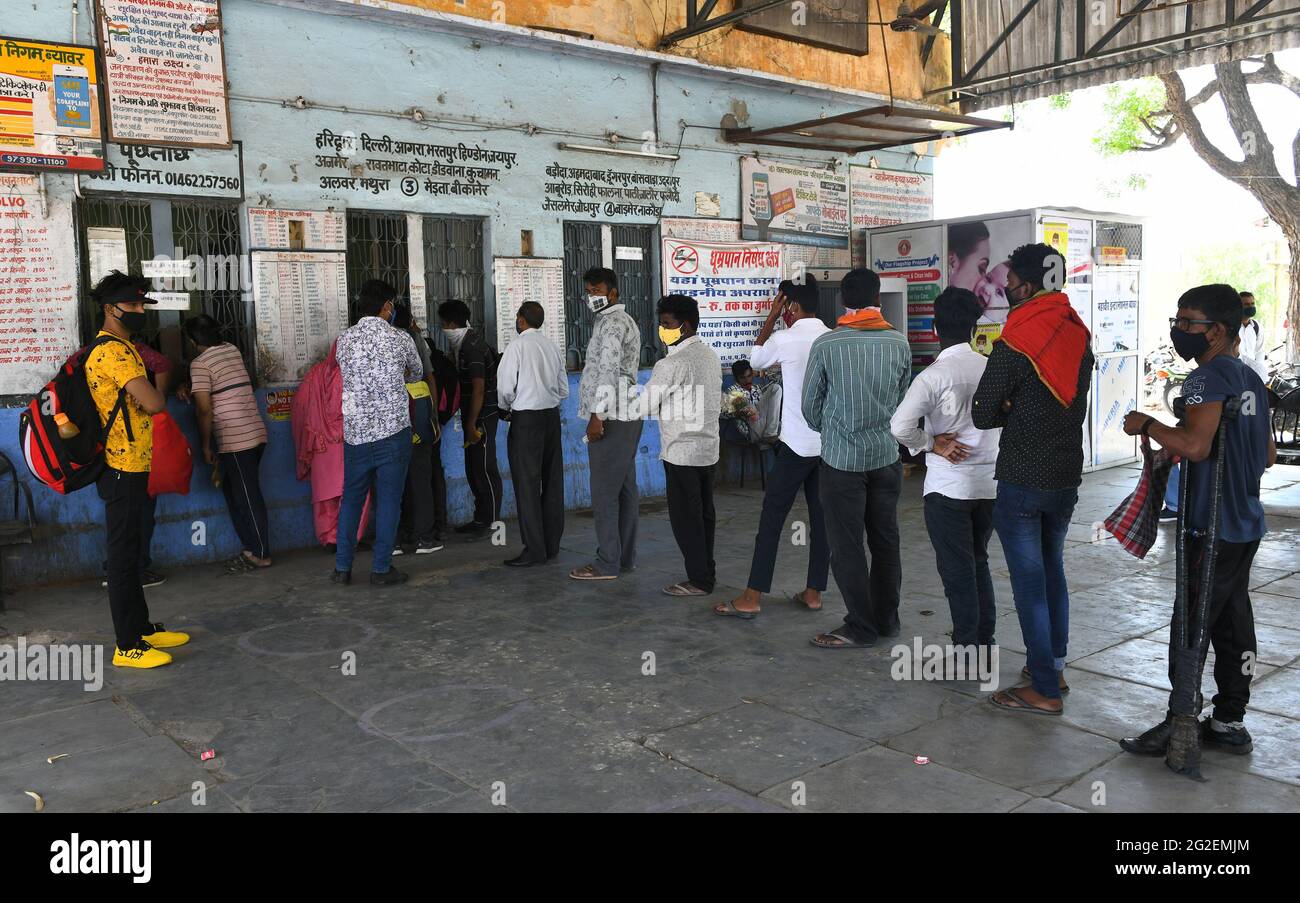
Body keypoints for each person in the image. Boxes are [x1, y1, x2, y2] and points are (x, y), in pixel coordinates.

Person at [1119, 284, 1276, 757]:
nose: (1179, 331)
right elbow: (1267, 454)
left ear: (1219, 331)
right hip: (1246, 522)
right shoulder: (1251, 379)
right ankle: (1230, 720)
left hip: (1212, 524)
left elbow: (1196, 446)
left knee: (1189, 623)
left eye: (1189, 323)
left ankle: (1180, 718)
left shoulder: (1205, 379)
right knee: (1232, 621)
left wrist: (1146, 424)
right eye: (1178, 321)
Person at [973, 243, 1093, 716]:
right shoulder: (1076, 330)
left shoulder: (1019, 335)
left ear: (1026, 285)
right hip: (1066, 474)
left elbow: (983, 411)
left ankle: (1042, 688)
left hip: (1023, 476)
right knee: (1052, 574)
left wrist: (1010, 407)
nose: (1006, 289)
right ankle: (1054, 668)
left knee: (1028, 585)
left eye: (1010, 283)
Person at [802, 269, 911, 648]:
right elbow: (902, 402)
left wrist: (833, 431)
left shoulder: (827, 345)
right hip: (886, 456)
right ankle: (887, 620)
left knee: (847, 547)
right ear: (878, 298)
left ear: (843, 301)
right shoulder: (899, 343)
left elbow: (809, 408)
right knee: (885, 541)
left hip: (841, 462)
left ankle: (861, 626)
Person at [84, 272, 186, 669]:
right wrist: (152, 394)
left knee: (132, 553)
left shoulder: (121, 347)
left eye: (143, 304)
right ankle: (128, 644)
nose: (141, 311)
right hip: (120, 466)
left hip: (132, 464)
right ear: (110, 309)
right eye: (134, 305)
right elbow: (155, 403)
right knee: (124, 558)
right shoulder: (113, 351)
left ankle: (142, 628)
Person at [890, 287, 1000, 648]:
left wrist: (930, 444)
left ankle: (967, 651)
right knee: (979, 562)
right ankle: (983, 642)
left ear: (936, 328)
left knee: (957, 572)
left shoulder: (934, 376)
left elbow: (899, 426)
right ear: (974, 329)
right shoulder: (991, 369)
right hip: (990, 486)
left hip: (948, 488)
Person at [718, 277, 831, 619]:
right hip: (826, 447)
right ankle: (813, 592)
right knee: (822, 520)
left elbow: (755, 361)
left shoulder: (785, 337)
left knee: (771, 520)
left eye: (784, 306)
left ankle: (752, 597)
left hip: (796, 446)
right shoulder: (832, 337)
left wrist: (770, 318)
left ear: (790, 306)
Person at [333, 280, 422, 586]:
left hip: (356, 434)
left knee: (352, 501)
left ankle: (342, 568)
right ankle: (381, 569)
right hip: (393, 433)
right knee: (388, 502)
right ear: (387, 306)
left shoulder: (344, 340)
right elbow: (418, 372)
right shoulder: (400, 339)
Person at [80, 333, 173, 589]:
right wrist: (156, 394)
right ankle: (130, 572)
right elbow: (162, 368)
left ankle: (120, 572)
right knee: (137, 516)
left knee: (120, 520)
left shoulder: (84, 355)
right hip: (128, 452)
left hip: (99, 450)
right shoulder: (125, 351)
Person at [570, 267, 644, 582]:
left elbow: (610, 370)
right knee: (624, 490)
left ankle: (606, 563)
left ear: (613, 291)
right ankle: (622, 559)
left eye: (597, 289)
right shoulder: (614, 321)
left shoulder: (613, 323)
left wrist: (597, 415)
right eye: (588, 291)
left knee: (603, 493)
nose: (592, 296)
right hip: (626, 414)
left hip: (612, 416)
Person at [646, 294, 722, 597]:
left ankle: (699, 580)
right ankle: (706, 572)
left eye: (667, 324)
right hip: (707, 449)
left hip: (680, 452)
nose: (662, 330)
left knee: (685, 519)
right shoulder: (709, 355)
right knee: (704, 515)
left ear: (685, 325)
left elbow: (645, 405)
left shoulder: (670, 363)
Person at [183, 314, 271, 573]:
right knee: (235, 494)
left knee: (246, 497)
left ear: (191, 341)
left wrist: (206, 444)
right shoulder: (231, 350)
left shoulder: (200, 364)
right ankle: (252, 547)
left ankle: (261, 553)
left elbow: (204, 410)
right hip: (255, 433)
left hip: (235, 440)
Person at [497, 301, 568, 567]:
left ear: (521, 320)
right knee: (552, 482)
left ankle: (534, 549)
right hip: (551, 418)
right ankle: (551, 545)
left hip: (525, 420)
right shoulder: (552, 346)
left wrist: (507, 408)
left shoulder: (516, 347)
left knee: (527, 485)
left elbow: (505, 388)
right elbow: (564, 390)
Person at [291, 337, 372, 550]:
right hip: (349, 443)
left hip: (320, 447)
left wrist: (309, 434)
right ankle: (350, 538)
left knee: (326, 497)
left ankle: (330, 539)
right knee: (356, 494)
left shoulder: (313, 375)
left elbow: (299, 407)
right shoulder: (354, 375)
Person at [439, 299, 502, 541]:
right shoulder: (464, 343)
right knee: (473, 468)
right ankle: (480, 518)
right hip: (473, 415)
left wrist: (471, 423)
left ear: (452, 323)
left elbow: (478, 388)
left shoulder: (472, 347)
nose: (443, 327)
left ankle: (493, 523)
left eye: (444, 323)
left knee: (485, 469)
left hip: (482, 416)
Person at [391, 304, 443, 557]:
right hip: (419, 414)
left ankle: (398, 538)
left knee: (391, 479)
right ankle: (425, 538)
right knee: (421, 477)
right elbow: (430, 377)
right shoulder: (415, 340)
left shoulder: (381, 341)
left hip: (390, 419)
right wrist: (433, 418)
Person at [1236, 291, 1268, 381]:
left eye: (1252, 303)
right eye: (1246, 304)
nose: (1251, 306)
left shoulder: (1257, 327)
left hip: (1253, 375)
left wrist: (1259, 373)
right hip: (1236, 374)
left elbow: (1259, 352)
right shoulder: (1232, 327)